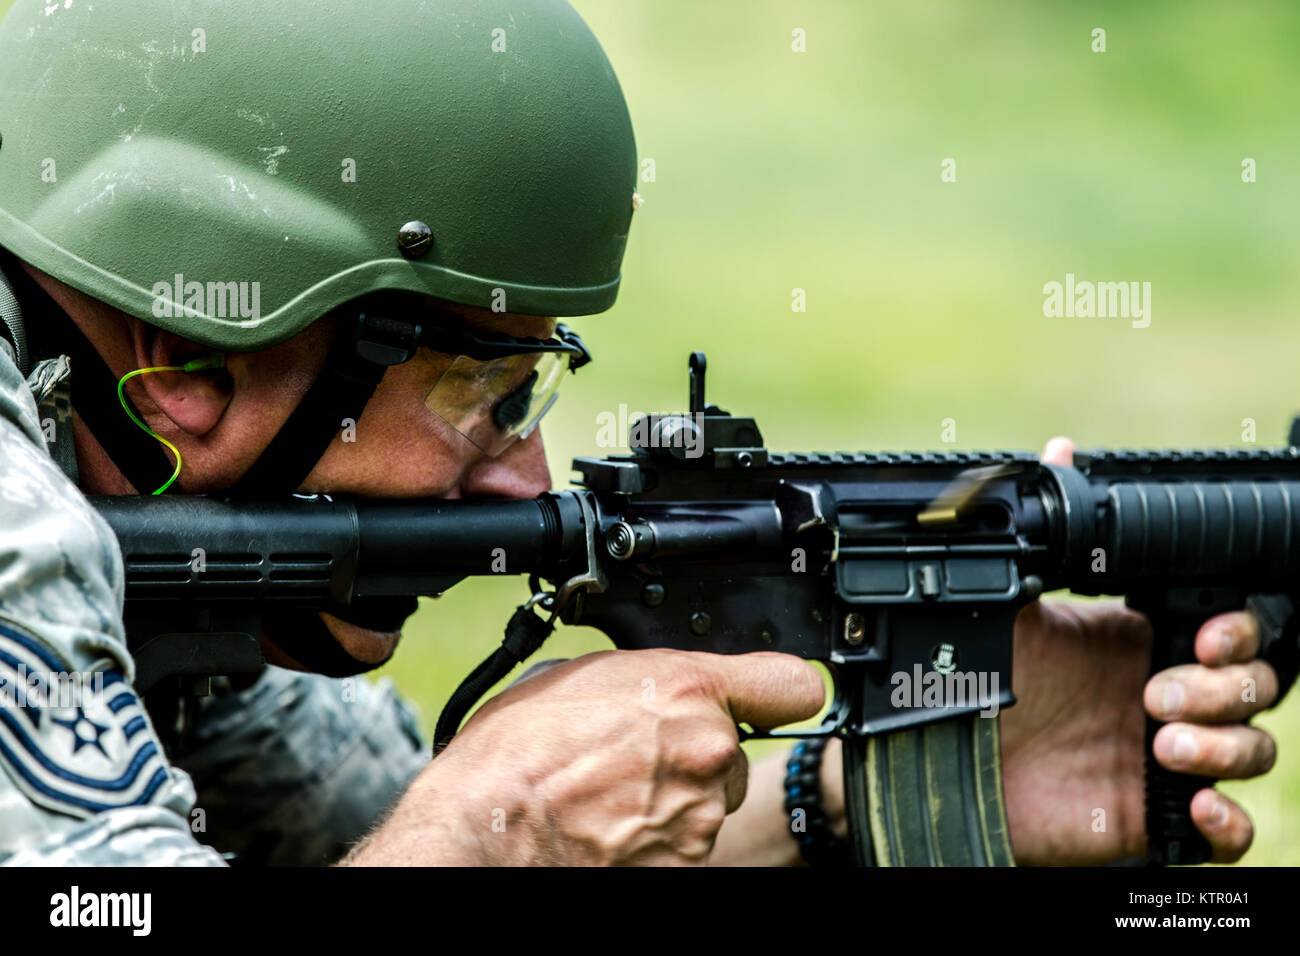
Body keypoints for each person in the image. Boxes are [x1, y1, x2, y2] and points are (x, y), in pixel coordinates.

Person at [0, 0, 1280, 867]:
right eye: (479, 393)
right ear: (193, 366)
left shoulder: (158, 553)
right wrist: (507, 821)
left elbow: (347, 833)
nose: (523, 475)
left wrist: (848, 798)